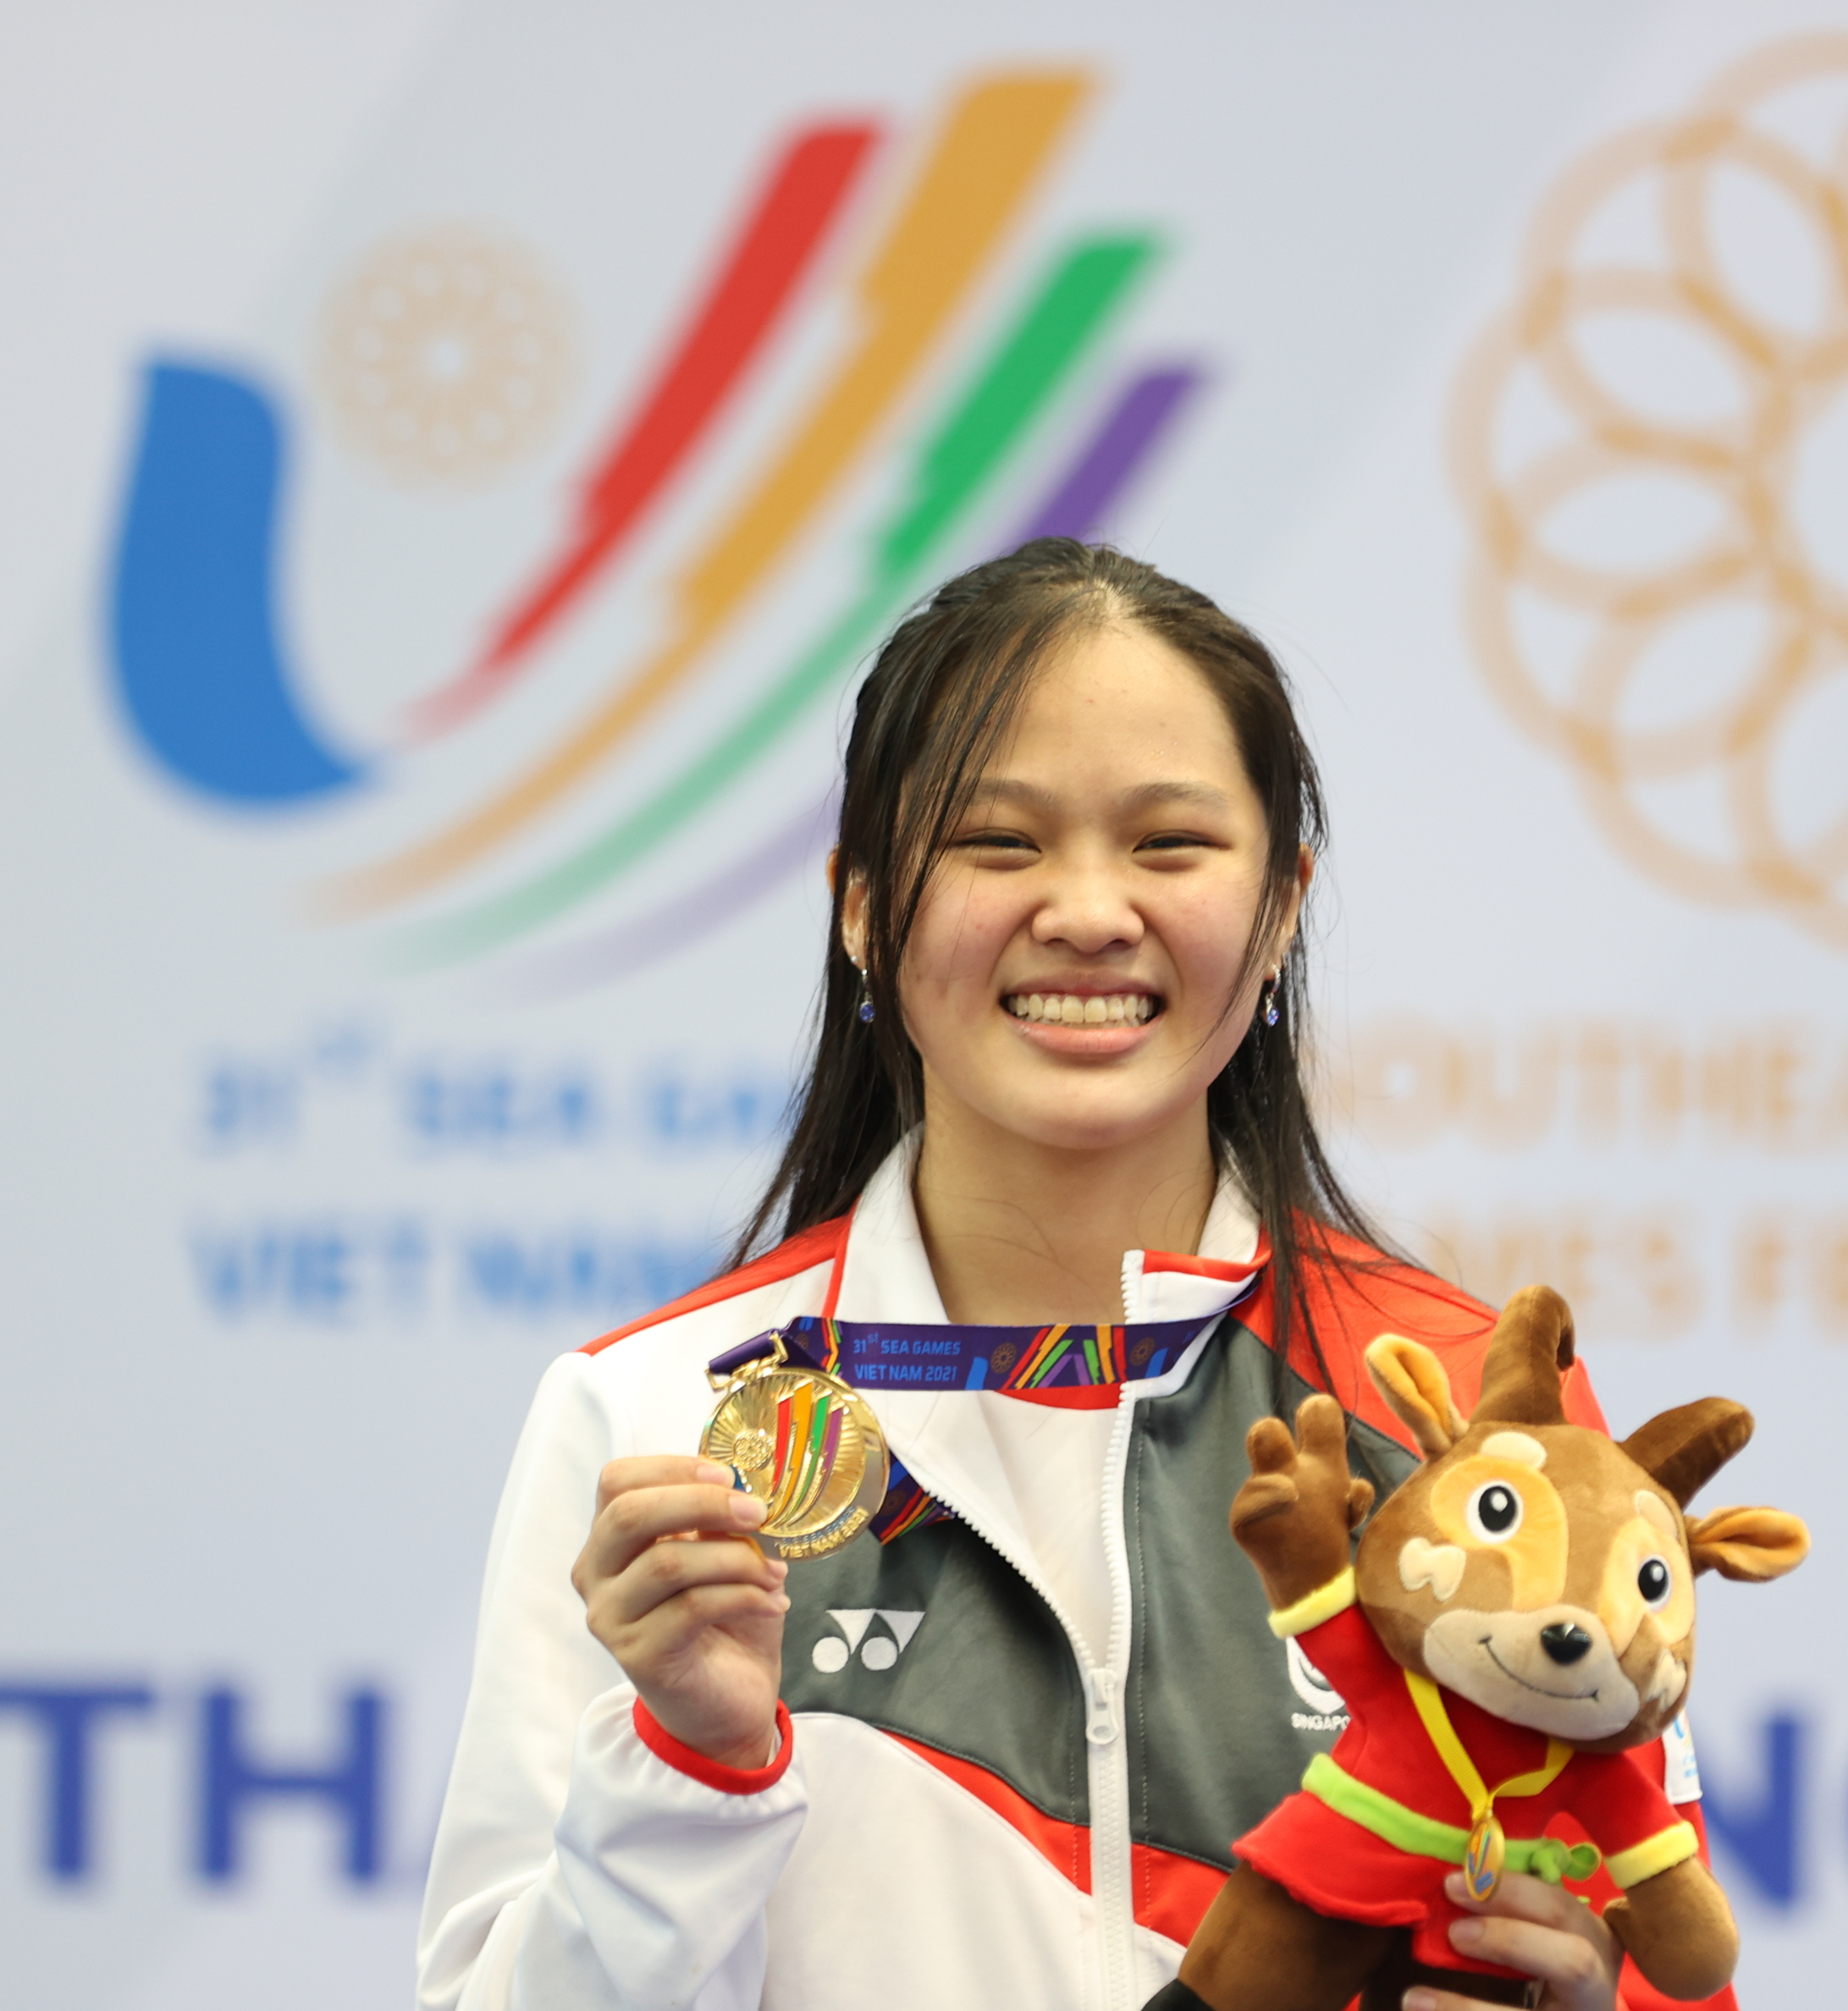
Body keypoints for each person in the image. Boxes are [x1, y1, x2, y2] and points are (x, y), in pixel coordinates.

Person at [415, 540, 1731, 2011]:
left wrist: (1586, 1998)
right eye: (999, 842)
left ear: (1282, 907)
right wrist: (690, 1770)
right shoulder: (657, 1418)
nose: (1091, 911)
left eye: (1168, 846)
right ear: (861, 905)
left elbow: (1669, 1952)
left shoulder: (1465, 1423)